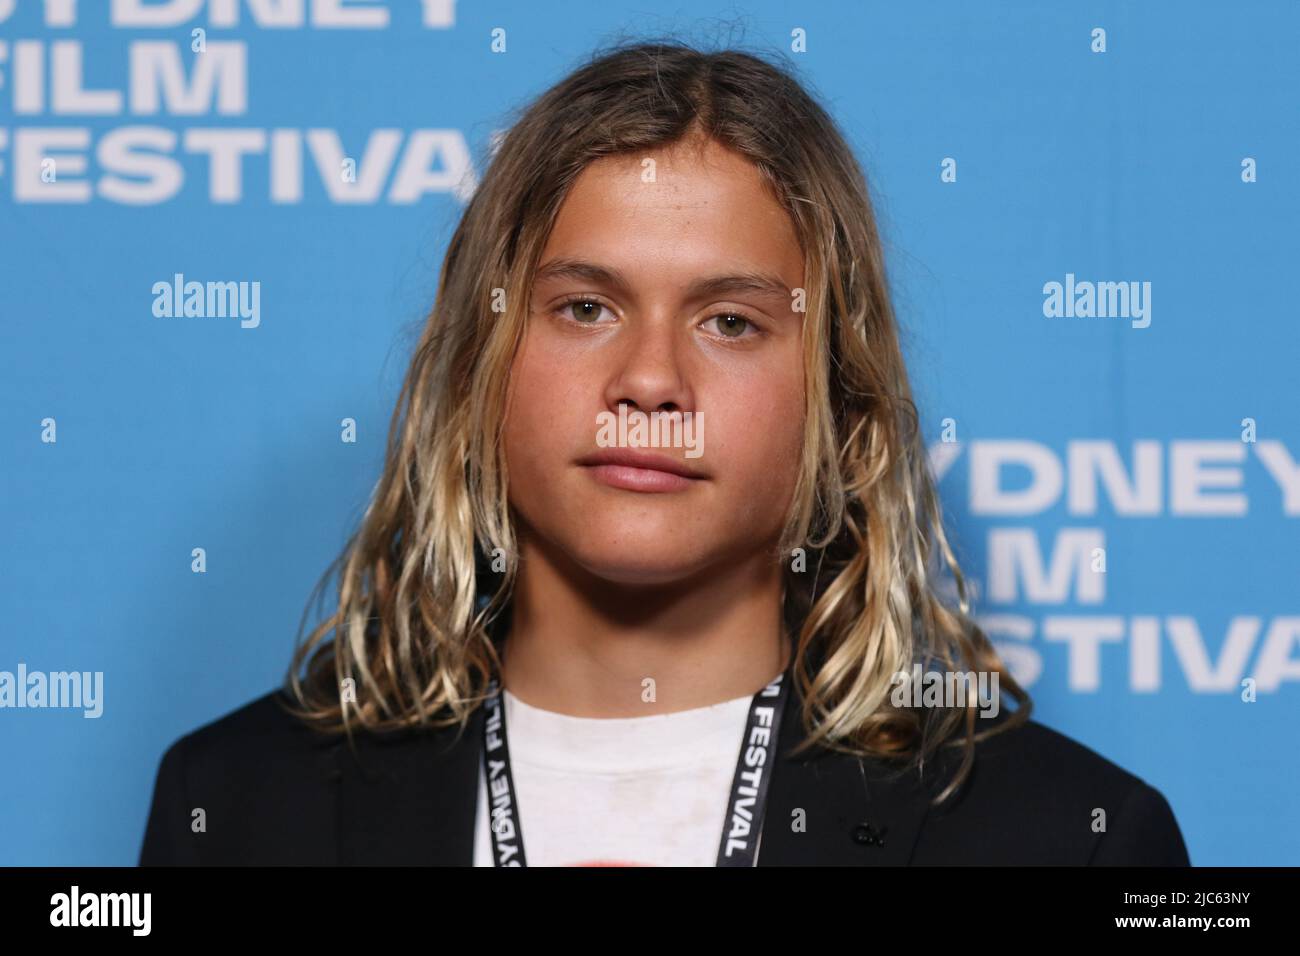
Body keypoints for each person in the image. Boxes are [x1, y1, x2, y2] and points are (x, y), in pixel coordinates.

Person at [138, 40, 1190, 867]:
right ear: (481, 365)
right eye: (586, 306)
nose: (649, 381)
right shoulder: (236, 804)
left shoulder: (1070, 837)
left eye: (730, 321)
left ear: (838, 398)